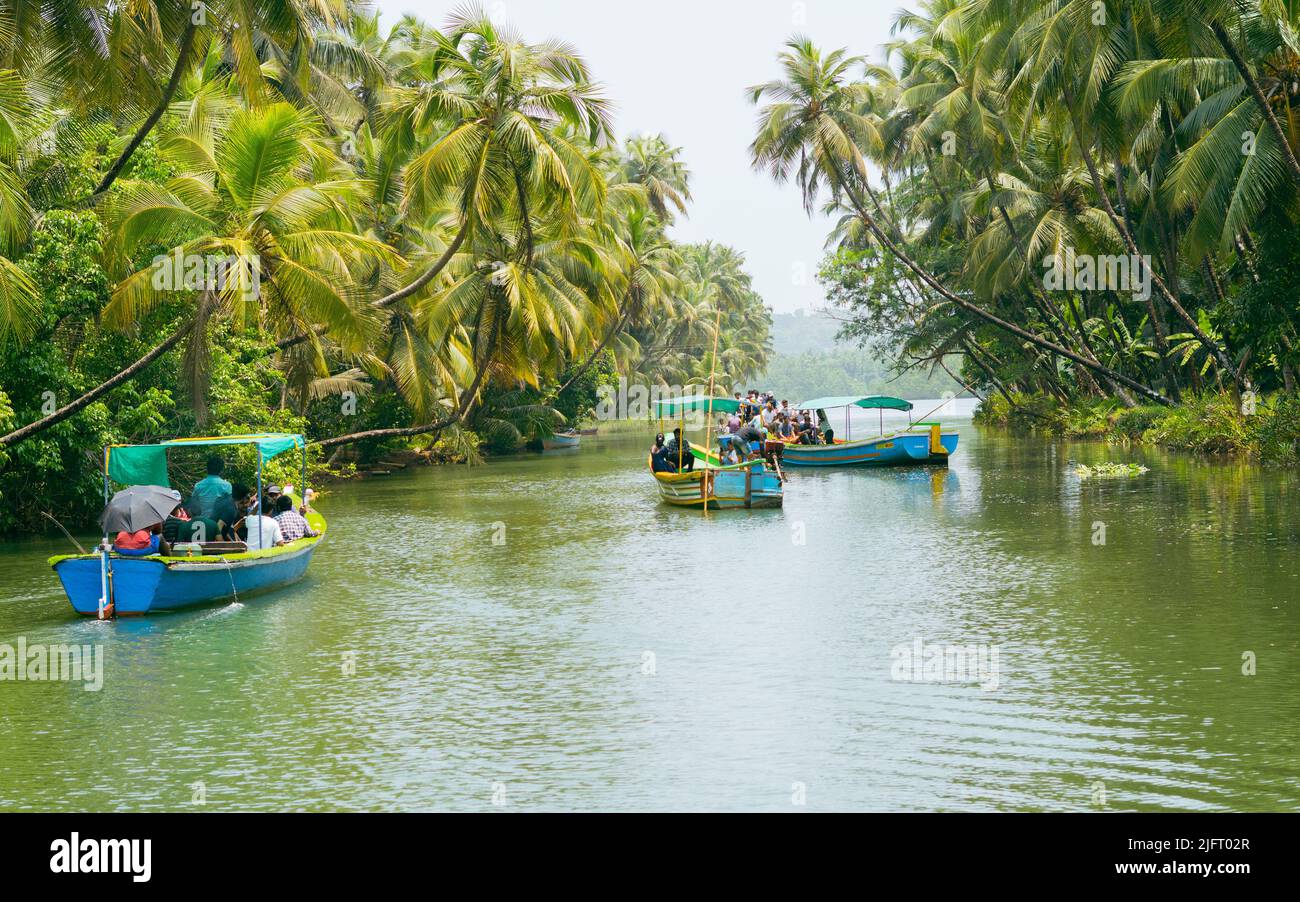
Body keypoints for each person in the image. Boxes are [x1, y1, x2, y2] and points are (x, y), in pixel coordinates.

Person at [189, 455, 235, 523]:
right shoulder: (227, 485)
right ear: (221, 470)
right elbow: (229, 508)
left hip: (202, 524)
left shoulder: (198, 485)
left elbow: (193, 507)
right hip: (219, 525)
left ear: (207, 468)